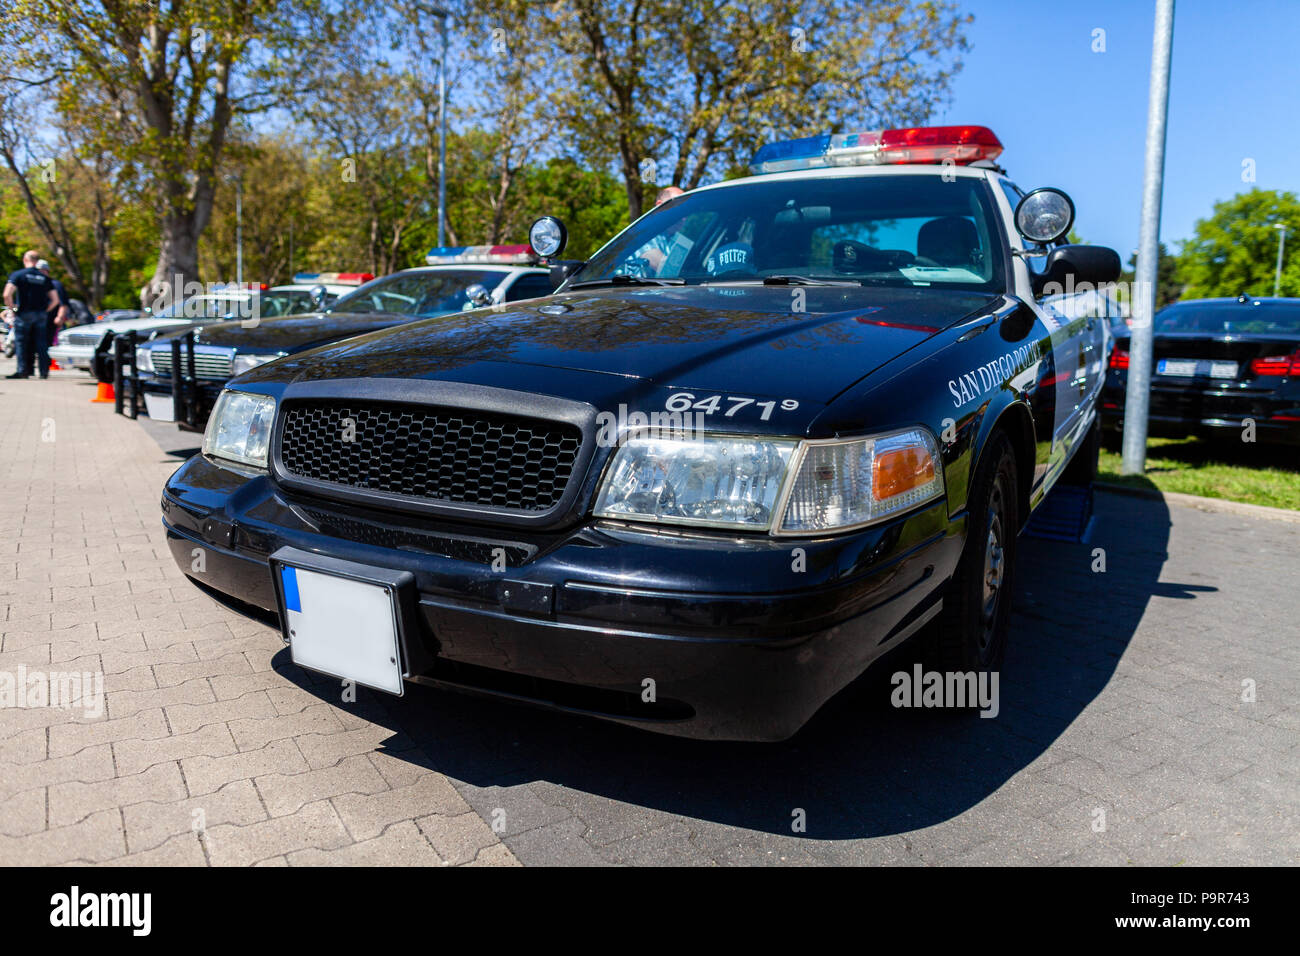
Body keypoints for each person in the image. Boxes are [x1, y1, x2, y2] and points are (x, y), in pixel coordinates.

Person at [2, 250, 60, 379]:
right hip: (41, 314)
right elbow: (55, 300)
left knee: (22, 342)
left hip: (24, 314)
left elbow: (7, 294)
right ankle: (44, 372)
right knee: (41, 343)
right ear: (37, 261)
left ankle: (23, 371)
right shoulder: (44, 278)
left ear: (25, 260)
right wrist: (46, 310)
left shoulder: (19, 275)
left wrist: (12, 308)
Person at [37, 259, 70, 349]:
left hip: (52, 320)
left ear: (46, 271)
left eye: (41, 270)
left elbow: (63, 303)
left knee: (50, 344)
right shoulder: (36, 285)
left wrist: (60, 317)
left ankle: (50, 362)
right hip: (38, 320)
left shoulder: (55, 284)